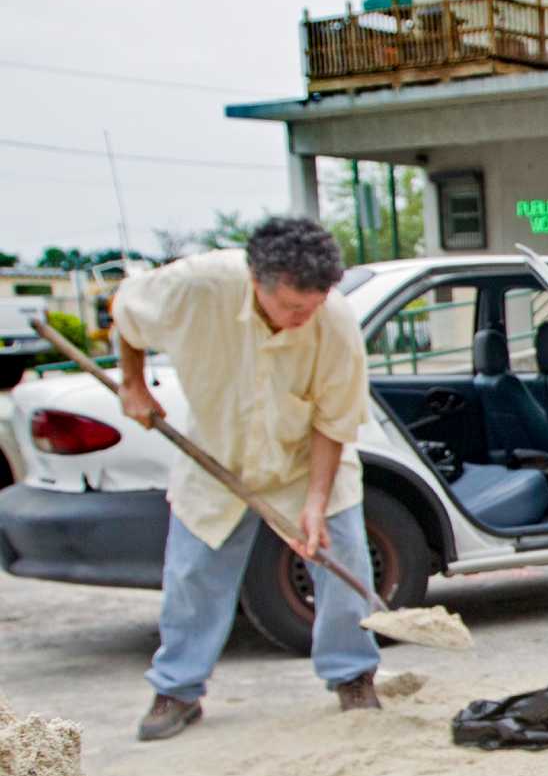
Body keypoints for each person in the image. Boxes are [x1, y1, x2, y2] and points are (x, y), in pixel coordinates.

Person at [116, 216, 381, 739]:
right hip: (217, 456)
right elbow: (125, 312)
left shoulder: (334, 320)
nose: (303, 318)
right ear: (256, 280)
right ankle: (177, 689)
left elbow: (334, 421)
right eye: (292, 307)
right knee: (192, 576)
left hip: (304, 460)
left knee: (344, 560)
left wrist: (315, 503)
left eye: (313, 306)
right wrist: (133, 384)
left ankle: (353, 674)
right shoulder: (195, 286)